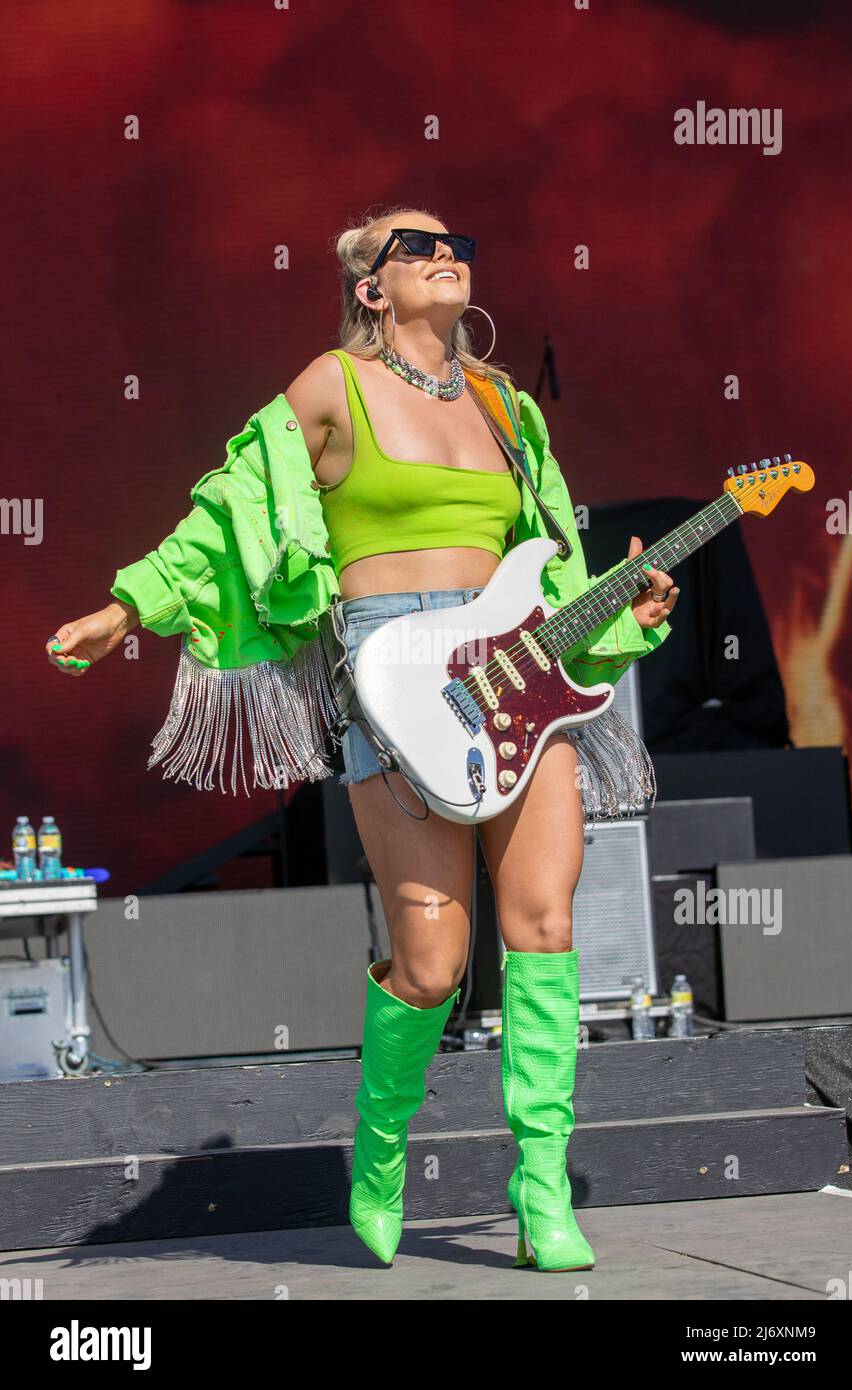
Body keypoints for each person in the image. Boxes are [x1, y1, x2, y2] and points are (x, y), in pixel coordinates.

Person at [45, 206, 678, 1272]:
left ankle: (538, 1192)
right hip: (393, 684)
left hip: (516, 679)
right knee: (430, 963)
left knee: (544, 925)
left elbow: (549, 561)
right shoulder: (329, 387)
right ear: (370, 288)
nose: (445, 255)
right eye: (414, 246)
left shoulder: (503, 405)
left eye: (456, 245)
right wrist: (129, 605)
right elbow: (232, 510)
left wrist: (621, 610)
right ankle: (379, 1150)